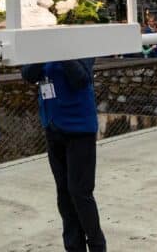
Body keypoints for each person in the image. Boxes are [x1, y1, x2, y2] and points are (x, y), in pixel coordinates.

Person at [21, 58, 106, 252]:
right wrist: (42, 53)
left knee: (80, 192)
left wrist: (61, 52)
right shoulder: (40, 48)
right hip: (53, 126)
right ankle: (73, 246)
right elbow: (28, 74)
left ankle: (97, 246)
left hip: (79, 128)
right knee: (64, 193)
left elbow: (81, 79)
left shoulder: (80, 45)